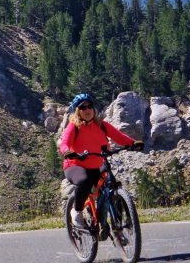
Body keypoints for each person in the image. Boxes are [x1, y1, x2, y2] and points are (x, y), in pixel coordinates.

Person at [58, 92, 144, 229]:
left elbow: (119, 136)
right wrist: (68, 152)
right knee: (84, 181)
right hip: (75, 165)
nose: (87, 110)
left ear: (93, 108)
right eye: (82, 108)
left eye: (89, 106)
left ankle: (118, 228)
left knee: (112, 186)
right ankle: (77, 212)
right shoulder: (74, 127)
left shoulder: (102, 125)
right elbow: (64, 143)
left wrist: (133, 143)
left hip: (96, 164)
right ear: (77, 111)